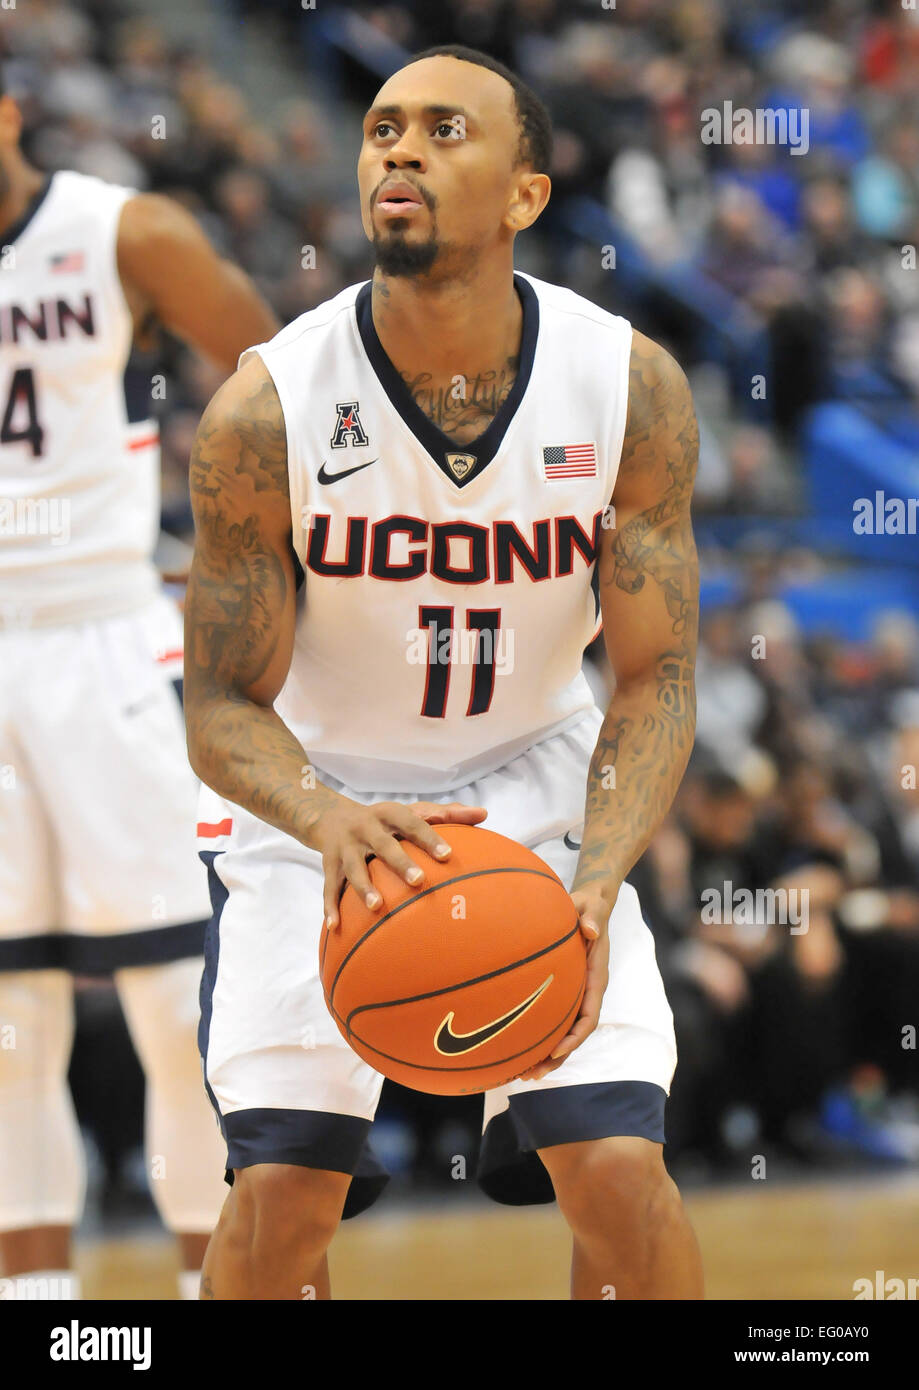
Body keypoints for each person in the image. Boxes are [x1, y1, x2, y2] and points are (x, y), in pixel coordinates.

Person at [184, 45, 704, 1300]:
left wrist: (596, 875)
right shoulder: (268, 410)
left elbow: (659, 675)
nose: (399, 151)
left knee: (618, 1172)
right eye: (381, 129)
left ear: (526, 194)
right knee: (280, 1210)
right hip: (325, 804)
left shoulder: (627, 387)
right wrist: (323, 817)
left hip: (536, 785)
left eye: (443, 131)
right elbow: (215, 705)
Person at [0, 71, 279, 1301]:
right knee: (12, 1032)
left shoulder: (124, 231)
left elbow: (273, 373)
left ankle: (197, 1293)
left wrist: (234, 545)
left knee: (175, 1002)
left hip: (104, 633)